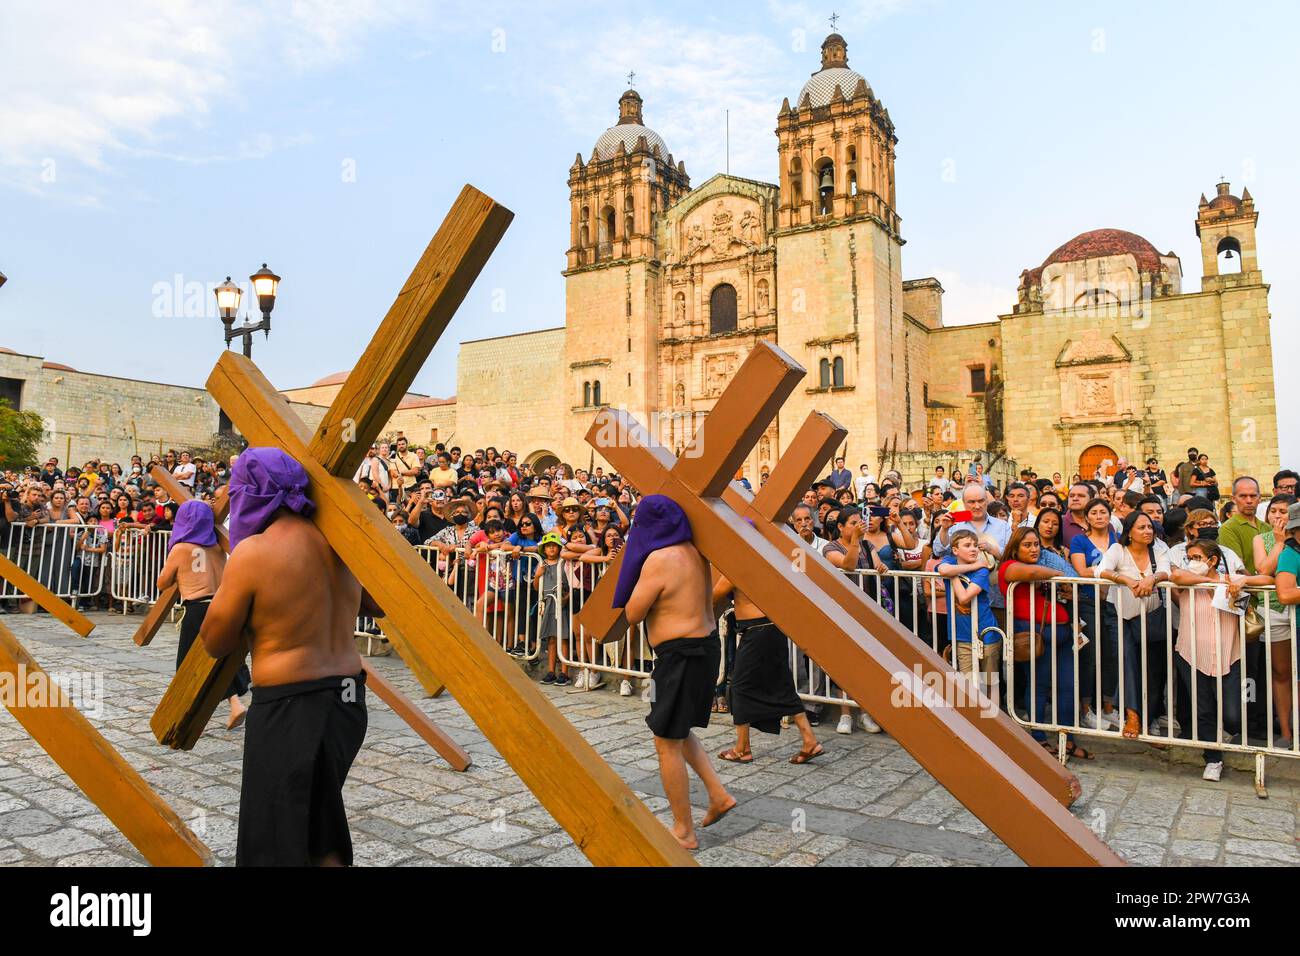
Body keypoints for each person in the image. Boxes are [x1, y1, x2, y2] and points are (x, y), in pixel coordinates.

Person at [199, 448, 371, 867]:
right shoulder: (341, 546)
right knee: (321, 824)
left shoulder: (256, 552)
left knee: (274, 838)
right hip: (349, 698)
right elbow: (373, 605)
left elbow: (216, 642)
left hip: (294, 703)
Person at [611, 495, 735, 850]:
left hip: (679, 654)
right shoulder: (697, 552)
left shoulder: (660, 559)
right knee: (678, 731)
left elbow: (634, 613)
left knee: (665, 742)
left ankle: (684, 829)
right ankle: (718, 794)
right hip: (705, 647)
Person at [1170, 539, 1270, 780]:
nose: (1192, 562)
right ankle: (1213, 759)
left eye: (1196, 557)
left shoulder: (1232, 581)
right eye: (1190, 558)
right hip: (1191, 653)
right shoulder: (1188, 579)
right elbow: (1178, 578)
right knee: (1203, 710)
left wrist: (1241, 581)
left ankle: (1224, 735)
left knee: (1233, 714)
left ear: (1212, 560)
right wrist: (1215, 583)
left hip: (1229, 653)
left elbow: (1268, 580)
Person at [714, 570, 824, 765]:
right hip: (773, 629)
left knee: (739, 686)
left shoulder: (736, 565)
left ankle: (742, 749)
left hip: (757, 632)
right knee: (783, 686)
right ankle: (810, 741)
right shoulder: (761, 562)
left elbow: (714, 596)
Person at [157, 499, 250, 730]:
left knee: (187, 666)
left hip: (197, 608)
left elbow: (162, 583)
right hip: (222, 606)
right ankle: (233, 702)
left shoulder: (181, 549)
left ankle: (184, 716)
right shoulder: (218, 547)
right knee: (223, 658)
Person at [998, 527, 1088, 759]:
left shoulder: (1044, 570)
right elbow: (1031, 573)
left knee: (1068, 687)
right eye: (1027, 545)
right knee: (1038, 685)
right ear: (1015, 548)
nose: (1034, 548)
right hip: (1033, 635)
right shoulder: (1009, 567)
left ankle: (1066, 738)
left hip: (1062, 632)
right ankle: (1039, 738)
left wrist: (1066, 587)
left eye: (1036, 544)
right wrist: (1061, 574)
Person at [1097, 511, 1172, 739]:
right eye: (1141, 528)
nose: (1147, 531)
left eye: (1149, 527)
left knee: (1152, 667)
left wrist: (1152, 578)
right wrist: (1127, 580)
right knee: (1127, 660)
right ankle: (1132, 715)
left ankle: (1149, 719)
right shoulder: (1118, 549)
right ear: (1129, 532)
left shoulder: (1158, 549)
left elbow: (1166, 570)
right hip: (1119, 614)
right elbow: (1101, 570)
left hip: (1150, 615)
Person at [821, 506, 884, 734]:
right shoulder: (830, 547)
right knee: (844, 662)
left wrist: (881, 567)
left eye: (860, 522)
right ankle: (845, 713)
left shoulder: (868, 545)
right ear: (840, 527)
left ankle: (865, 712)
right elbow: (847, 565)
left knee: (866, 663)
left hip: (866, 612)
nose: (858, 526)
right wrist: (856, 540)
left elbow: (876, 564)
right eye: (852, 523)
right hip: (843, 612)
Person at [1252, 493, 1297, 747]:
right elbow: (1264, 570)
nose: (1278, 516)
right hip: (1275, 612)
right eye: (1274, 511)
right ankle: (1286, 731)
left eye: (1284, 512)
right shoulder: (1262, 539)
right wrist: (1280, 543)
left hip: (1295, 609)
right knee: (1281, 672)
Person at [936, 529, 1001, 703]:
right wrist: (970, 566)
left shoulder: (982, 572)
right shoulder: (953, 561)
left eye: (975, 545)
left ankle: (994, 721)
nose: (973, 549)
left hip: (986, 631)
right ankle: (975, 723)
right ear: (955, 550)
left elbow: (964, 597)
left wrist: (953, 575)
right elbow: (943, 569)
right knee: (969, 682)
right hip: (962, 633)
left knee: (990, 681)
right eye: (967, 545)